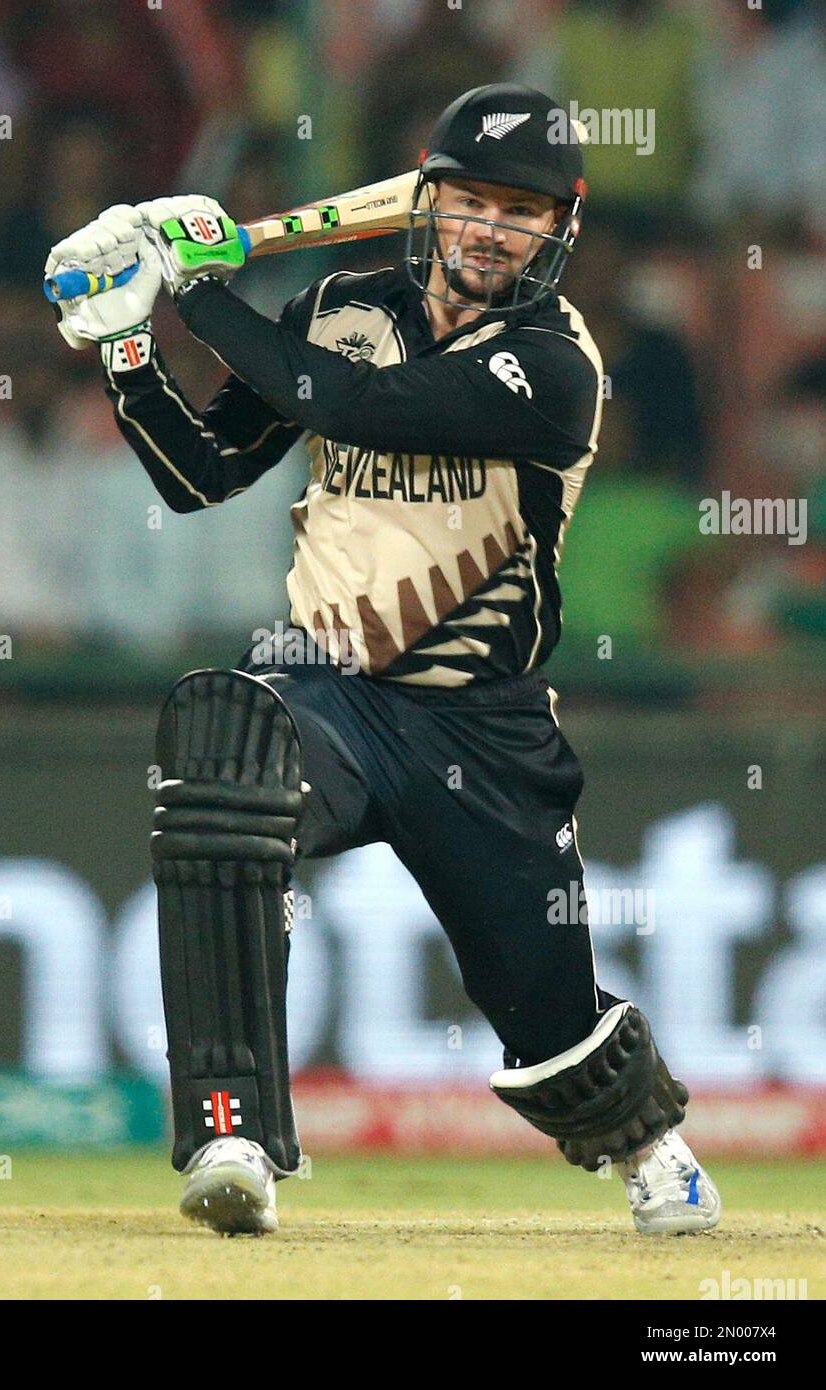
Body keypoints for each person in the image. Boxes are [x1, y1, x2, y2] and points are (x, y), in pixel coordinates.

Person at [46, 84, 722, 1238]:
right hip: (333, 695)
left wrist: (194, 285)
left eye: (523, 210)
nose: (491, 229)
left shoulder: (555, 364)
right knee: (223, 746)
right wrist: (126, 350)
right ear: (427, 196)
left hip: (481, 723)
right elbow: (201, 475)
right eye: (472, 200)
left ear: (560, 228)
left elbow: (355, 400)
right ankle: (232, 1129)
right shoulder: (337, 303)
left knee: (550, 1023)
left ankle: (650, 1141)